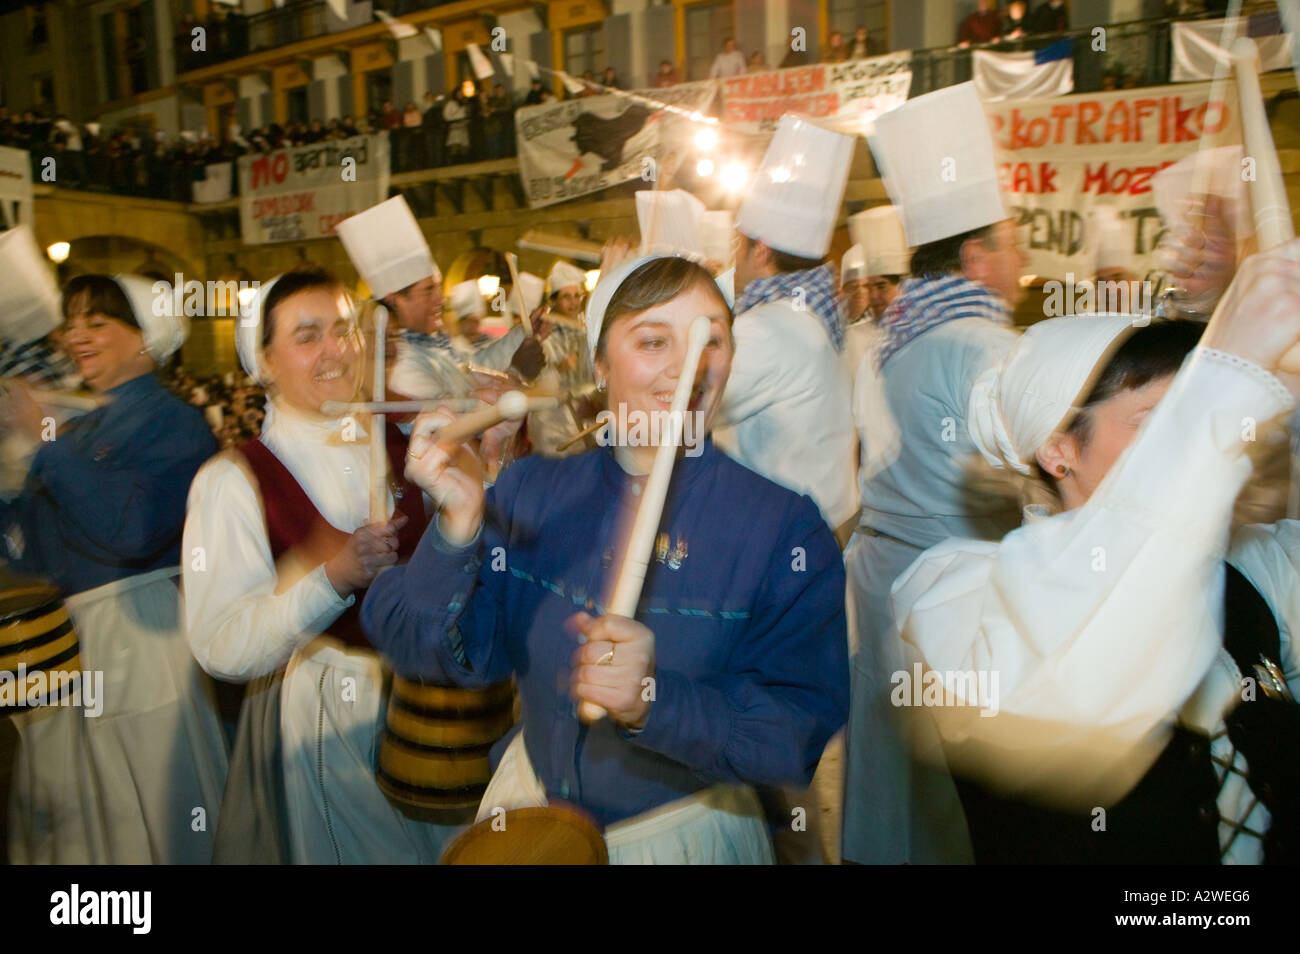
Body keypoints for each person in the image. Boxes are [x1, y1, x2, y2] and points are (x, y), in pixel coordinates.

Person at [360, 254, 849, 864]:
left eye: (711, 341)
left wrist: (656, 700)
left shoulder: (783, 530)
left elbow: (796, 733)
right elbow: (421, 648)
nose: (687, 367)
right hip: (533, 825)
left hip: (680, 842)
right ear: (600, 364)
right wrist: (455, 526)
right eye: (652, 341)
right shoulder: (529, 492)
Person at [901, 242, 1300, 862]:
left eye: (1187, 423)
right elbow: (1078, 674)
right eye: (1155, 423)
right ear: (1059, 448)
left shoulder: (1246, 570)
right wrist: (1223, 383)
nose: (1194, 448)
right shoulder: (959, 593)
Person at [182, 265, 460, 863]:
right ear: (264, 363)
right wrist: (333, 579)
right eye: (307, 336)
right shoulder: (232, 481)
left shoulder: (402, 439)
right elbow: (220, 646)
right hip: (335, 721)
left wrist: (484, 461)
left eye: (343, 329)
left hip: (437, 713)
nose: (336, 350)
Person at [842, 83, 1024, 866]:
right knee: (958, 800)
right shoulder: (985, 348)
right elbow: (1027, 482)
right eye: (1013, 243)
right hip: (954, 596)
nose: (1024, 261)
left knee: (892, 783)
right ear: (978, 257)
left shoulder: (896, 343)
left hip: (881, 578)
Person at [1, 274, 227, 863]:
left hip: (143, 637)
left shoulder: (174, 422)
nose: (76, 334)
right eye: (72, 320)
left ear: (146, 340)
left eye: (97, 322)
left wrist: (44, 444)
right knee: (88, 827)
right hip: (67, 646)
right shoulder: (79, 425)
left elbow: (129, 530)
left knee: (160, 813)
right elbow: (32, 557)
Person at [719, 115, 858, 539]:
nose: (732, 261)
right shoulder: (808, 316)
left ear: (759, 251)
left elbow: (680, 409)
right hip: (824, 530)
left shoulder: (765, 330)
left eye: (736, 247)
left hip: (786, 542)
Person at [335, 197, 525, 403]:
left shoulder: (434, 347)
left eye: (437, 287)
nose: (441, 299)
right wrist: (515, 373)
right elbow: (448, 419)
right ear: (395, 300)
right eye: (428, 291)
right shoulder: (404, 367)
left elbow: (473, 368)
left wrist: (523, 335)